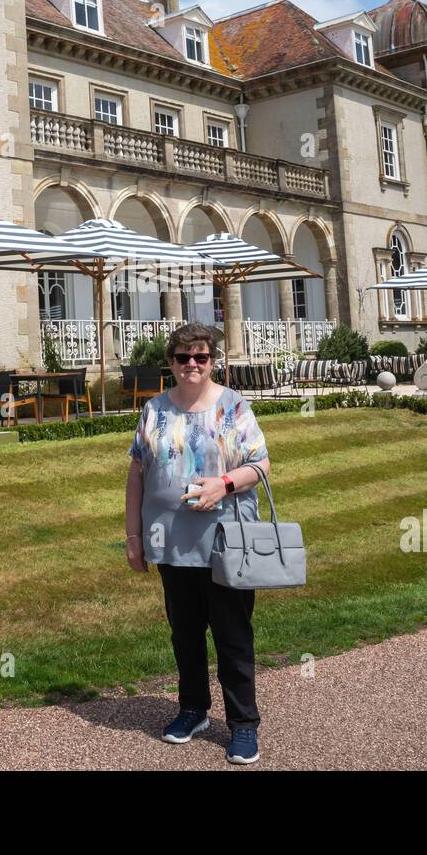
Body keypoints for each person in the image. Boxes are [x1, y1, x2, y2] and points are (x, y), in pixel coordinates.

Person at [125, 322, 269, 765]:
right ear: (170, 361)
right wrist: (133, 536)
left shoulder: (234, 406)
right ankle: (192, 710)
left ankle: (243, 725)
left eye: (201, 357)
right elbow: (137, 473)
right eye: (183, 357)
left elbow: (261, 465)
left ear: (212, 361)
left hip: (228, 543)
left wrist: (223, 485)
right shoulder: (153, 410)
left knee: (232, 635)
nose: (192, 364)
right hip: (170, 543)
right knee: (185, 633)